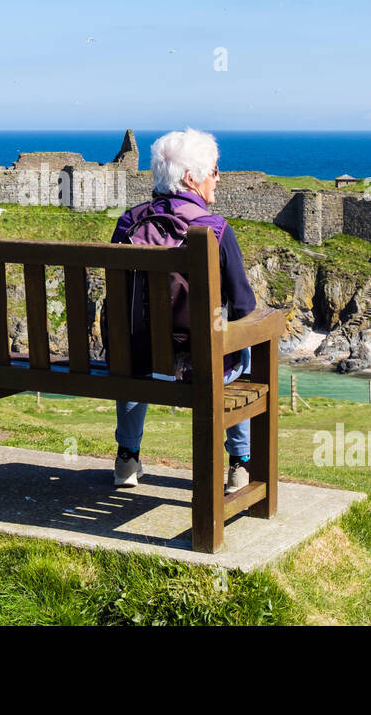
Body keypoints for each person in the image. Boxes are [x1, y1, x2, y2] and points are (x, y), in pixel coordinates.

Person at [109, 128, 257, 491]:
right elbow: (243, 304)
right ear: (191, 178)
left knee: (134, 347)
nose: (218, 178)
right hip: (201, 365)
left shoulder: (128, 223)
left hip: (138, 360)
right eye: (215, 170)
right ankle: (239, 463)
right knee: (243, 342)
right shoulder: (215, 228)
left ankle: (127, 458)